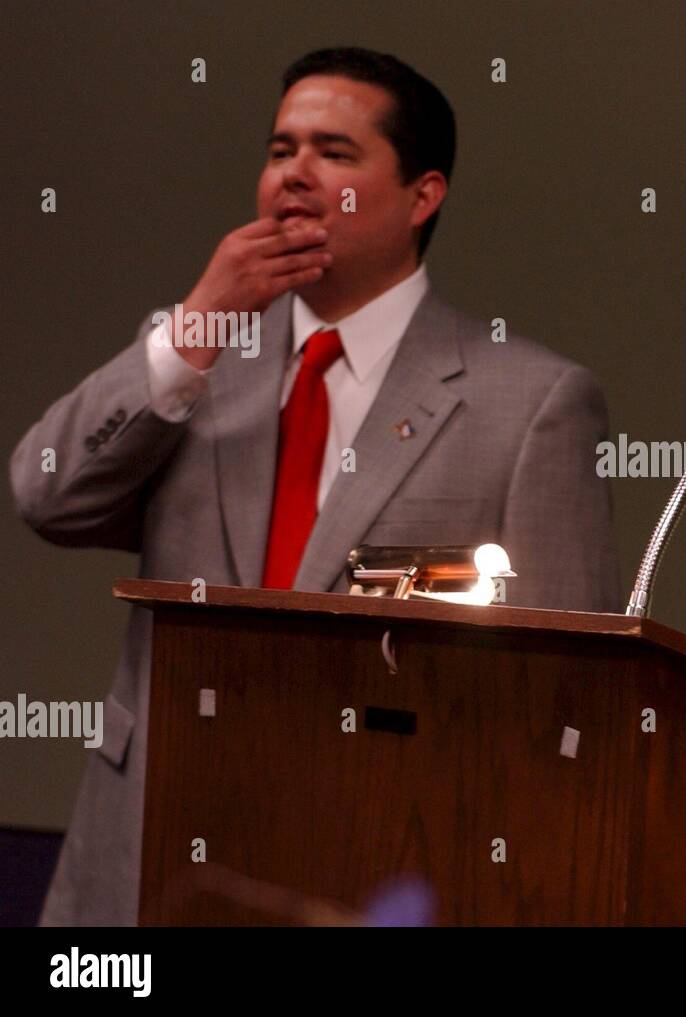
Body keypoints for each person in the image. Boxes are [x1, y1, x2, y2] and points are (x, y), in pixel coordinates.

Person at [11, 47, 620, 926]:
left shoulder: (533, 402)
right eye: (278, 149)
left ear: (424, 195)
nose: (295, 173)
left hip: (373, 870)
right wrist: (195, 327)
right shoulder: (193, 360)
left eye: (334, 153)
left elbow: (567, 702)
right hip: (142, 861)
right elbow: (44, 494)